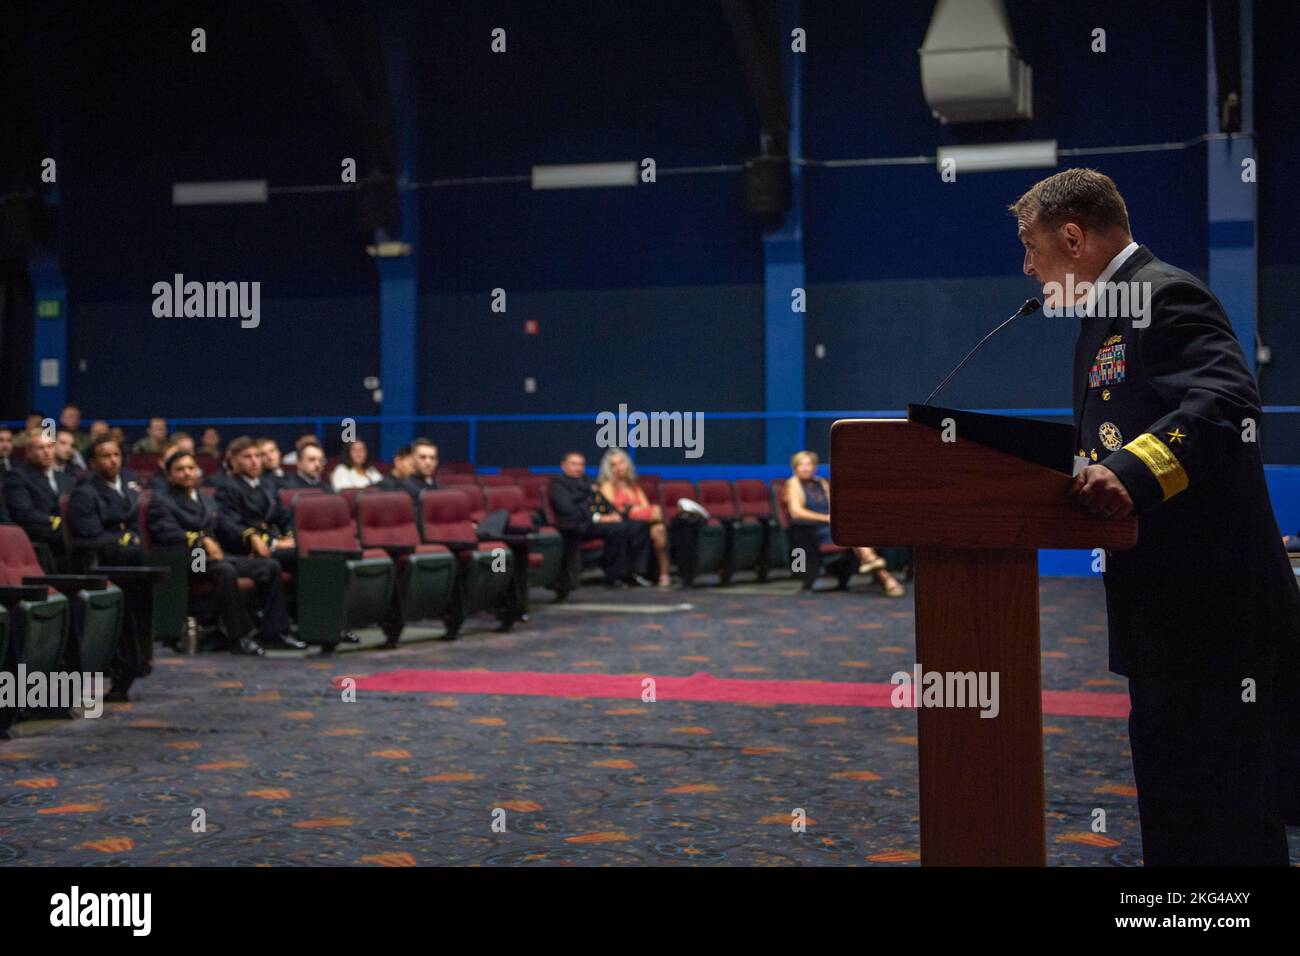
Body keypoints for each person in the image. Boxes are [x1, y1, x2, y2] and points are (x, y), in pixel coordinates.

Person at [1012, 167, 1300, 865]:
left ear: (1073, 237)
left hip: (1214, 610)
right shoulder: (1105, 317)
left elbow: (1229, 401)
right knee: (1183, 807)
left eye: (1032, 247)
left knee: (1222, 809)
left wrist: (1129, 474)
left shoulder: (1162, 293)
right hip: (1168, 610)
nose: (1028, 268)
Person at [147, 450, 293, 656]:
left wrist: (250, 537)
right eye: (180, 469)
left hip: (216, 555)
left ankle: (275, 632)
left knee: (269, 566)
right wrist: (201, 540)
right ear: (169, 475)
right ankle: (239, 637)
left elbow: (224, 526)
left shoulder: (204, 498)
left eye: (190, 468)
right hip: (188, 559)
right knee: (224, 570)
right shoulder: (161, 500)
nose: (187, 473)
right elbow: (167, 533)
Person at [67, 436, 153, 700]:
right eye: (106, 456)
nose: (113, 460)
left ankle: (138, 660)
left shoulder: (127, 487)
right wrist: (125, 539)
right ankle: (126, 663)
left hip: (130, 563)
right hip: (102, 565)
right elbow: (90, 535)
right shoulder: (85, 493)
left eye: (116, 454)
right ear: (92, 462)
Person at [785, 450, 903, 596]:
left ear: (814, 467)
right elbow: (796, 512)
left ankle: (872, 563)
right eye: (801, 465)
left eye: (809, 464)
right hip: (813, 529)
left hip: (833, 526)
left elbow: (834, 504)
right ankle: (879, 569)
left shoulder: (821, 482)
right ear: (795, 467)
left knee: (856, 528)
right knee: (850, 532)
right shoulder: (793, 484)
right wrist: (827, 518)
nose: (805, 468)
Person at [215, 437, 302, 603]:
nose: (254, 461)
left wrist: (290, 536)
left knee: (310, 555)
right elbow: (231, 527)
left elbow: (283, 516)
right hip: (247, 549)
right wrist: (273, 543)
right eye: (247, 457)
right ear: (233, 460)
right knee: (302, 555)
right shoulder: (228, 487)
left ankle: (299, 612)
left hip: (276, 543)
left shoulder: (266, 485)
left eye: (257, 456)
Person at [548, 451, 649, 588]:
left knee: (639, 526)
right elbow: (567, 509)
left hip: (595, 522)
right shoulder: (558, 484)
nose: (578, 468)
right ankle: (615, 576)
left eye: (581, 464)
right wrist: (599, 517)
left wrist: (613, 514)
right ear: (563, 465)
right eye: (574, 464)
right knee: (617, 529)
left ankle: (637, 572)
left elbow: (602, 502)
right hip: (577, 525)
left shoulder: (588, 481)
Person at [2, 432, 76, 570]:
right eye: (41, 448)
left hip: (65, 534)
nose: (47, 452)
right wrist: (56, 520)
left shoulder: (67, 478)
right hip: (39, 534)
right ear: (29, 452)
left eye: (49, 447)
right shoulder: (17, 476)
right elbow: (23, 513)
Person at [598, 449, 670, 586]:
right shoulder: (608, 486)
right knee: (657, 513)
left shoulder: (634, 486)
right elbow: (613, 509)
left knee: (659, 530)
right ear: (609, 469)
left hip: (642, 521)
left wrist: (638, 509)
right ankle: (660, 572)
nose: (619, 467)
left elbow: (645, 505)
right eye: (614, 465)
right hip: (624, 521)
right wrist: (634, 509)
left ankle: (662, 573)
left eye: (622, 462)